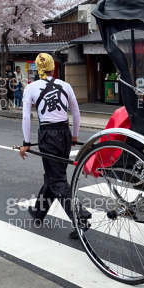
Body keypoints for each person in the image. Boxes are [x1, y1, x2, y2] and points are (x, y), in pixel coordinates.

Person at [19, 53, 90, 239]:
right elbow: (76, 113)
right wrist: (74, 135)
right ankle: (39, 211)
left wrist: (26, 143)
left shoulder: (31, 88)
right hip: (64, 133)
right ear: (53, 67)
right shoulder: (65, 85)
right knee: (53, 174)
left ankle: (80, 218)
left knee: (57, 178)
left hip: (48, 135)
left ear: (37, 68)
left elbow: (27, 117)